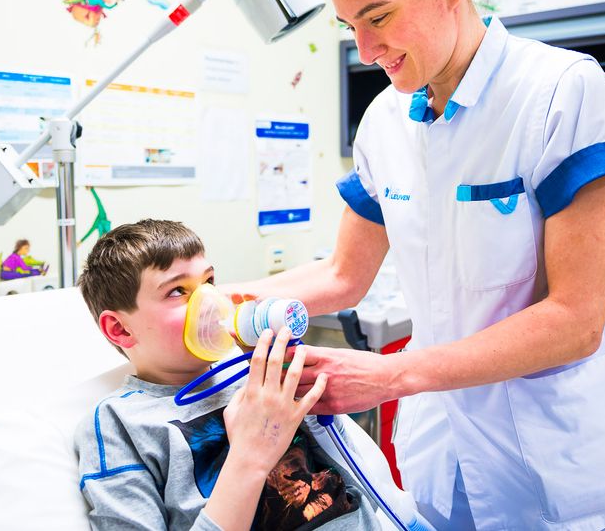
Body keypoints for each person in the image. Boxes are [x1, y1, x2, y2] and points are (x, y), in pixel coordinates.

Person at [220, 0, 605, 528]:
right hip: (440, 448)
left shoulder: (561, 93)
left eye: (379, 17)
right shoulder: (384, 121)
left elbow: (575, 320)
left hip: (550, 449)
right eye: (350, 26)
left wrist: (391, 375)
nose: (366, 49)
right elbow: (344, 275)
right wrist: (216, 302)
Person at [73, 219, 388, 530]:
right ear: (120, 328)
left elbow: (358, 486)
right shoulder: (120, 423)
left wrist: (304, 394)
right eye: (177, 291)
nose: (209, 302)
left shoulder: (252, 375)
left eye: (208, 282)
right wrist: (250, 457)